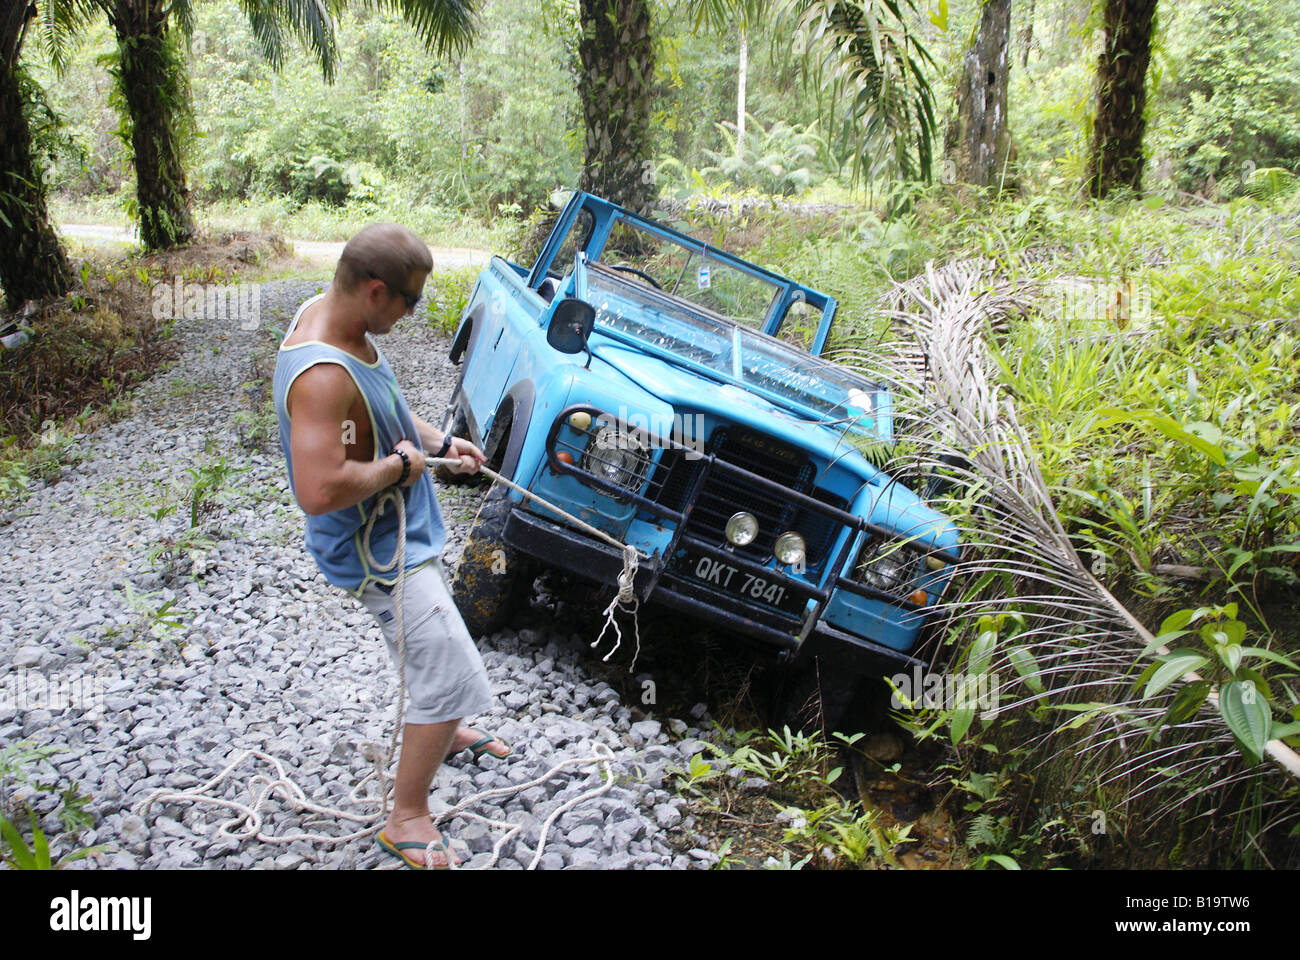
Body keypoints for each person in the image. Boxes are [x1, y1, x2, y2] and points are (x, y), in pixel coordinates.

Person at [272, 222, 506, 869]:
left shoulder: (338, 318)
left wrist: (435, 446)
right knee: (452, 665)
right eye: (410, 301)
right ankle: (407, 817)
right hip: (373, 548)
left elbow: (383, 408)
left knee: (427, 646)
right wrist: (396, 470)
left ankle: (442, 731)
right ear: (376, 291)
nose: (412, 313)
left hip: (399, 529)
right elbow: (318, 489)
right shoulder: (321, 373)